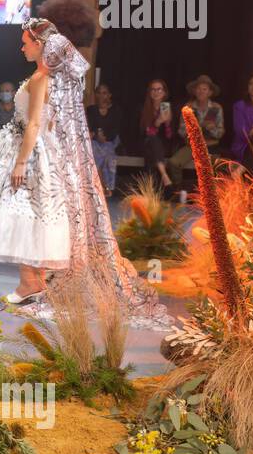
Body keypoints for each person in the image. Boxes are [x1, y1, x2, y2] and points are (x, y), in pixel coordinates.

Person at [39, 19, 170, 330]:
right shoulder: (63, 80)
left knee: (76, 204)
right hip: (68, 148)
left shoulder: (58, 76)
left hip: (70, 150)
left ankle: (75, 264)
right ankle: (65, 261)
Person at [0, 19, 69, 303]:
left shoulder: (42, 78)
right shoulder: (47, 76)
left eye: (25, 43)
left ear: (39, 44)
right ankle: (34, 279)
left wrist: (20, 162)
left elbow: (34, 124)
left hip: (28, 151)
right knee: (28, 212)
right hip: (36, 149)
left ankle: (30, 282)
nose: (21, 48)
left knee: (20, 212)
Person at [167, 74, 225, 187]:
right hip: (191, 146)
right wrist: (195, 128)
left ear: (210, 92)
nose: (201, 91)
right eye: (198, 89)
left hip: (210, 147)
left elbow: (220, 133)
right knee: (173, 163)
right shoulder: (187, 107)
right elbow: (181, 130)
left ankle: (214, 197)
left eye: (204, 89)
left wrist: (212, 129)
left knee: (218, 167)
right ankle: (179, 190)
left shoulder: (217, 108)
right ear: (194, 91)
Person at [86, 82, 122, 196]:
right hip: (95, 140)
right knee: (95, 152)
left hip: (111, 140)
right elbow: (90, 127)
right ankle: (100, 186)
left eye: (104, 93)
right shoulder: (91, 109)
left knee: (107, 154)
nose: (102, 95)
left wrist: (105, 138)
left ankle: (107, 186)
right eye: (99, 93)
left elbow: (116, 129)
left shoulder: (116, 110)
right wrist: (97, 135)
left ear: (109, 95)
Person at [140, 79, 175, 190]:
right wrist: (158, 122)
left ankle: (150, 189)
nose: (156, 92)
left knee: (153, 149)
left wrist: (168, 123)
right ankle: (164, 175)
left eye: (159, 89)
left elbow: (169, 136)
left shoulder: (167, 107)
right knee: (152, 140)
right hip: (148, 142)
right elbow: (146, 132)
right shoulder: (145, 108)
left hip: (165, 144)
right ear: (150, 93)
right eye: (153, 89)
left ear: (164, 92)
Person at [228, 76, 253, 175]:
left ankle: (240, 170)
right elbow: (241, 131)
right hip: (246, 144)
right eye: (251, 83)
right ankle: (238, 172)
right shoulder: (240, 106)